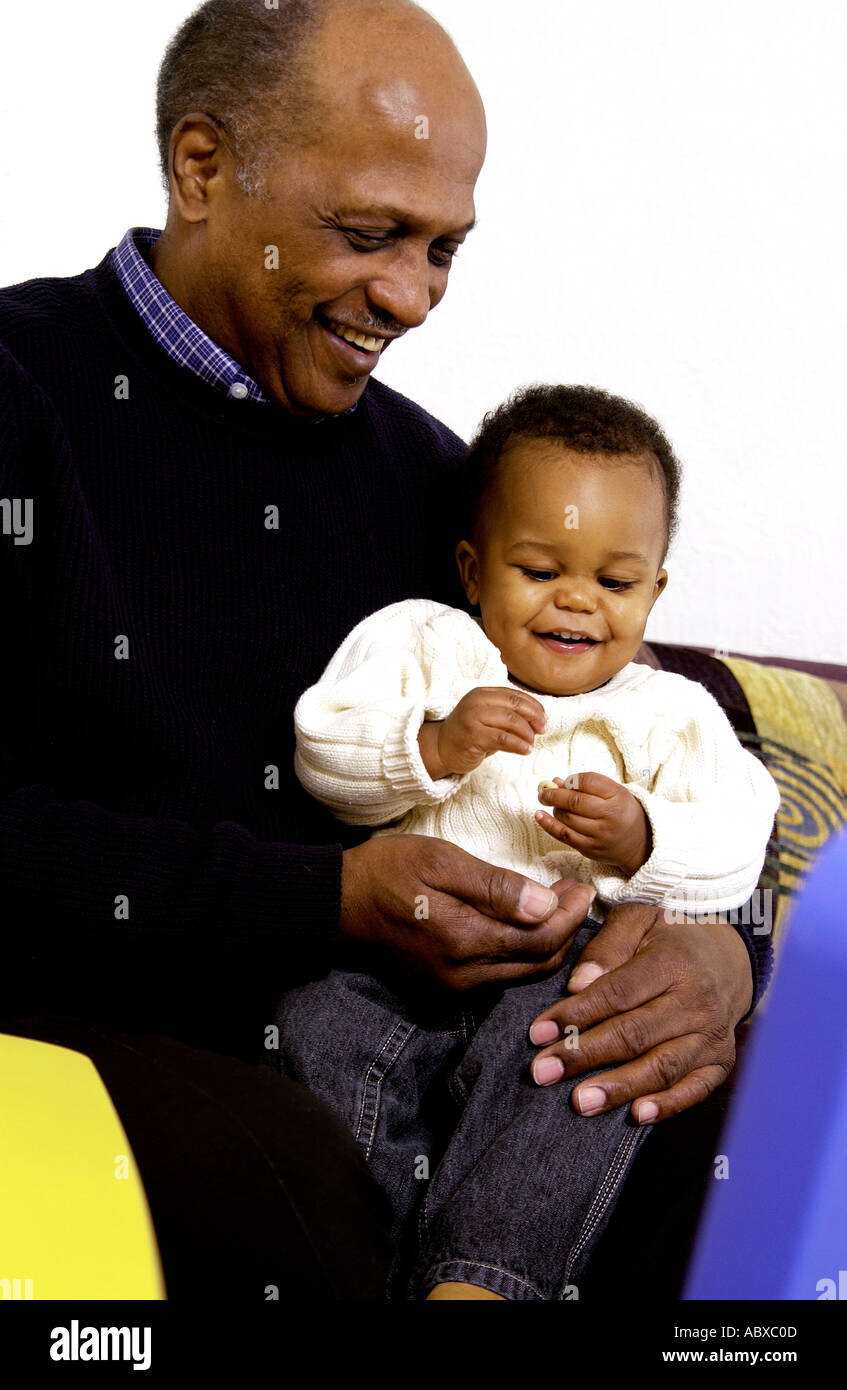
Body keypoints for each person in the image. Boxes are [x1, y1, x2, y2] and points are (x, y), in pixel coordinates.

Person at [0, 0, 771, 1299]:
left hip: (395, 1045)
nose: (409, 299)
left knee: (677, 1118)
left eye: (442, 250)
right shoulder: (24, 392)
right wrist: (327, 896)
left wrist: (721, 945)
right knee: (289, 1183)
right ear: (202, 168)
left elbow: (668, 704)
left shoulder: (426, 477)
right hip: (88, 1029)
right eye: (368, 237)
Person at [278, 384, 780, 1299]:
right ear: (472, 570)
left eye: (615, 582)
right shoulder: (425, 645)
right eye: (540, 571)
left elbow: (738, 842)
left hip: (563, 969)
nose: (577, 603)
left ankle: (484, 1278)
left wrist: (644, 835)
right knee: (318, 1022)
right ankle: (355, 1267)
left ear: (654, 589)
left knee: (578, 1063)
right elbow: (325, 748)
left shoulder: (668, 711)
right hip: (393, 957)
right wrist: (429, 744)